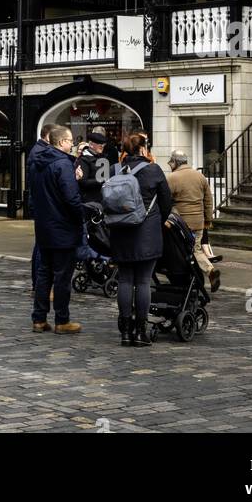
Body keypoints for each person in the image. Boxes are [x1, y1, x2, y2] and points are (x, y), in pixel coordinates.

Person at [105, 132, 173, 346]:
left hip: (120, 232)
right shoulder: (153, 170)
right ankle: (140, 331)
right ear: (143, 149)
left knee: (125, 280)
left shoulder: (115, 170)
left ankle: (125, 332)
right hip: (147, 233)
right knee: (143, 281)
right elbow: (166, 203)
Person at [27, 125, 84, 333]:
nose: (72, 144)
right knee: (62, 276)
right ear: (61, 143)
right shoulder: (62, 164)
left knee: (44, 273)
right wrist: (80, 220)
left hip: (44, 226)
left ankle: (39, 319)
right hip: (63, 228)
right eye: (70, 141)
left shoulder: (37, 162)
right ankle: (62, 320)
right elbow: (71, 198)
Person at [166, 150, 220, 292]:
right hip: (198, 222)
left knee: (186, 252)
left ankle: (198, 277)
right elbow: (208, 200)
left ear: (175, 162)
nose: (170, 165)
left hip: (181, 223)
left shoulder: (172, 178)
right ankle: (207, 272)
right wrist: (208, 219)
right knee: (195, 248)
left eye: (171, 162)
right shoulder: (200, 176)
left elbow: (165, 201)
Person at [27, 123, 54, 294]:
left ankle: (39, 284)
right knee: (41, 246)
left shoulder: (40, 150)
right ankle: (39, 285)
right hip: (41, 203)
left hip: (39, 202)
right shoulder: (40, 152)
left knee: (40, 245)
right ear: (48, 136)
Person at [76, 129, 109, 202]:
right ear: (91, 144)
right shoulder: (83, 160)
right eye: (100, 146)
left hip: (102, 197)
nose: (102, 148)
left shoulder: (101, 157)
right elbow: (83, 182)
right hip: (89, 199)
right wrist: (103, 180)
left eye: (103, 146)